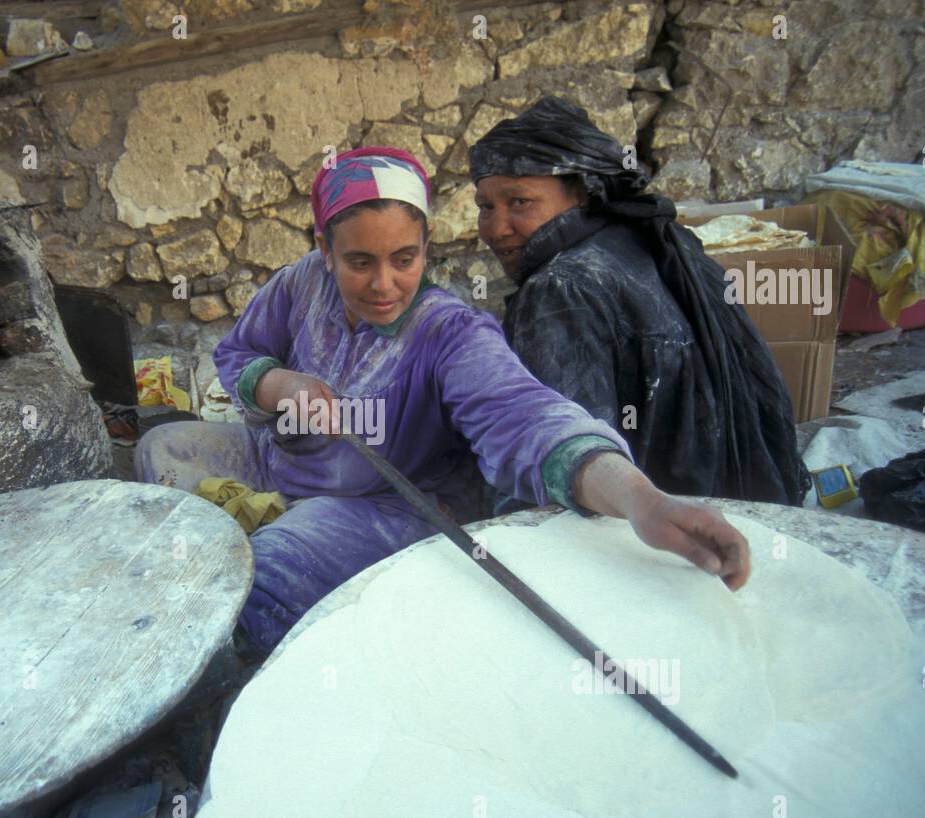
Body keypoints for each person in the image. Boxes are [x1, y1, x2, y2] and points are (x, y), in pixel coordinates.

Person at [135, 146, 751, 660]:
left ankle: (235, 695)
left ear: (426, 246)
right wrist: (278, 386)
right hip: (279, 460)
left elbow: (521, 414)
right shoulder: (302, 282)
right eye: (359, 262)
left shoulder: (450, 332)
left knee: (265, 573)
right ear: (324, 249)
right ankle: (248, 538)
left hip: (385, 503)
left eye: (405, 259)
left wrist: (639, 499)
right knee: (160, 447)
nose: (384, 285)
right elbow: (239, 353)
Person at [470, 96, 811, 508]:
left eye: (519, 202)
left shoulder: (560, 288)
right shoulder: (660, 242)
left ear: (581, 193)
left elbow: (561, 461)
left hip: (649, 531)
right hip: (736, 506)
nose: (496, 228)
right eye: (485, 206)